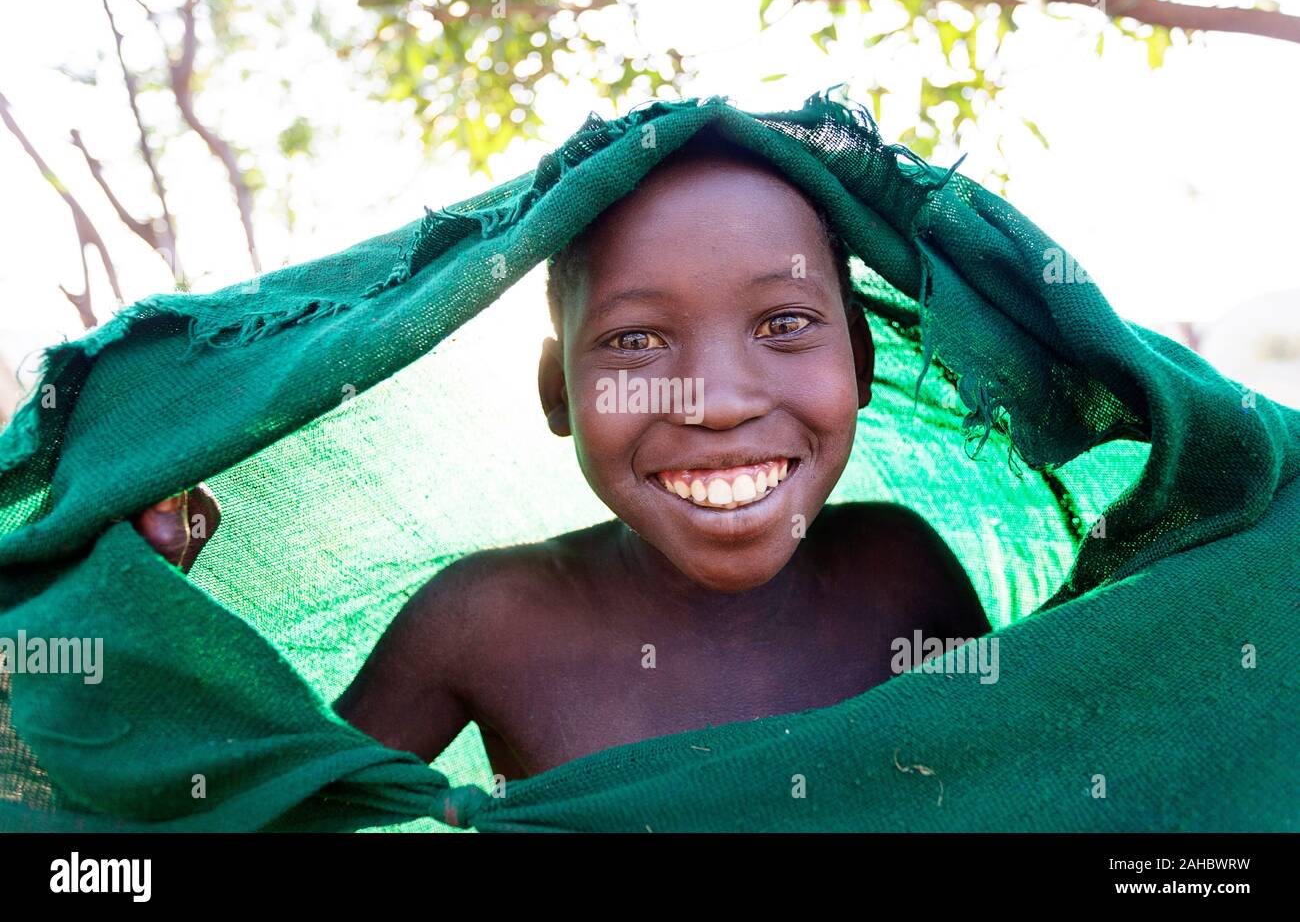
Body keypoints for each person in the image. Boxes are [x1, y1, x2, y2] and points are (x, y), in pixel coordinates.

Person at [134, 126, 991, 782]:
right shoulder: (486, 623)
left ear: (863, 359)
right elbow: (262, 819)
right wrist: (147, 608)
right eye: (637, 340)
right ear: (558, 393)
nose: (719, 401)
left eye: (784, 324)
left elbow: (1035, 772)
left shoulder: (900, 574)